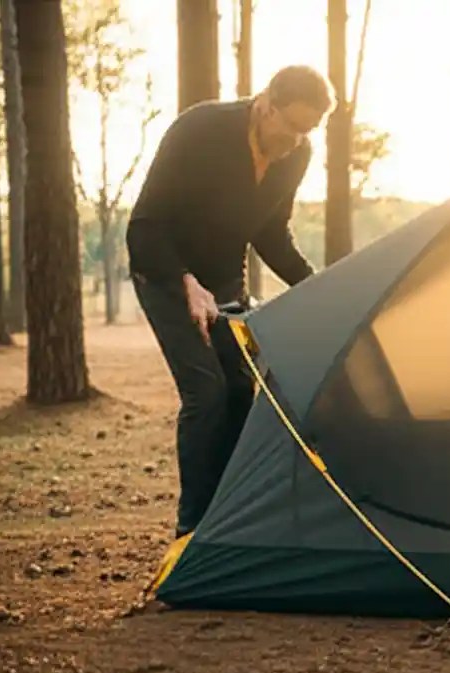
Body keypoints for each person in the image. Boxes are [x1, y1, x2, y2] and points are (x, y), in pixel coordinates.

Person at [126, 65, 336, 538]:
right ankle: (193, 531)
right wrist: (185, 282)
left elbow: (270, 233)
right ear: (266, 105)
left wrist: (317, 285)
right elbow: (144, 227)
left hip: (223, 282)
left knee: (243, 392)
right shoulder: (199, 130)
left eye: (309, 131)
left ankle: (230, 521)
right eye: (292, 126)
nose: (298, 140)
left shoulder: (295, 154)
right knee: (207, 392)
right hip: (164, 271)